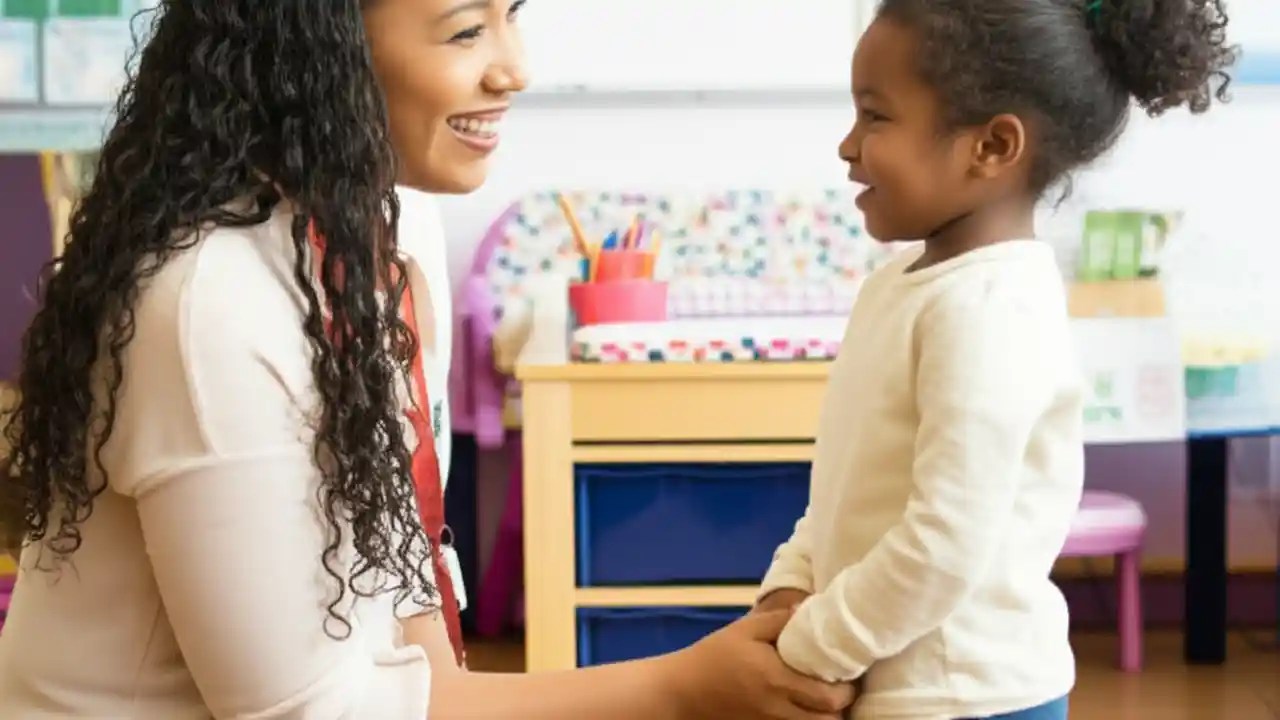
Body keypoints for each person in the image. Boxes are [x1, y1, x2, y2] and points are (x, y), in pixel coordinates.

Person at [0, 1, 855, 718]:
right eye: (464, 32)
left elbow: (411, 633)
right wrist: (681, 687)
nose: (513, 68)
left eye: (509, 16)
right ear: (322, 48)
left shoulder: (391, 228)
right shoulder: (209, 305)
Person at [754, 1, 1235, 719]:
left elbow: (945, 543)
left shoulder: (989, 310)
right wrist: (790, 585)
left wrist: (809, 648)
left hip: (962, 696)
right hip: (894, 683)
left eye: (876, 118)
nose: (848, 147)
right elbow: (849, 487)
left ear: (993, 146)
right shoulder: (901, 290)